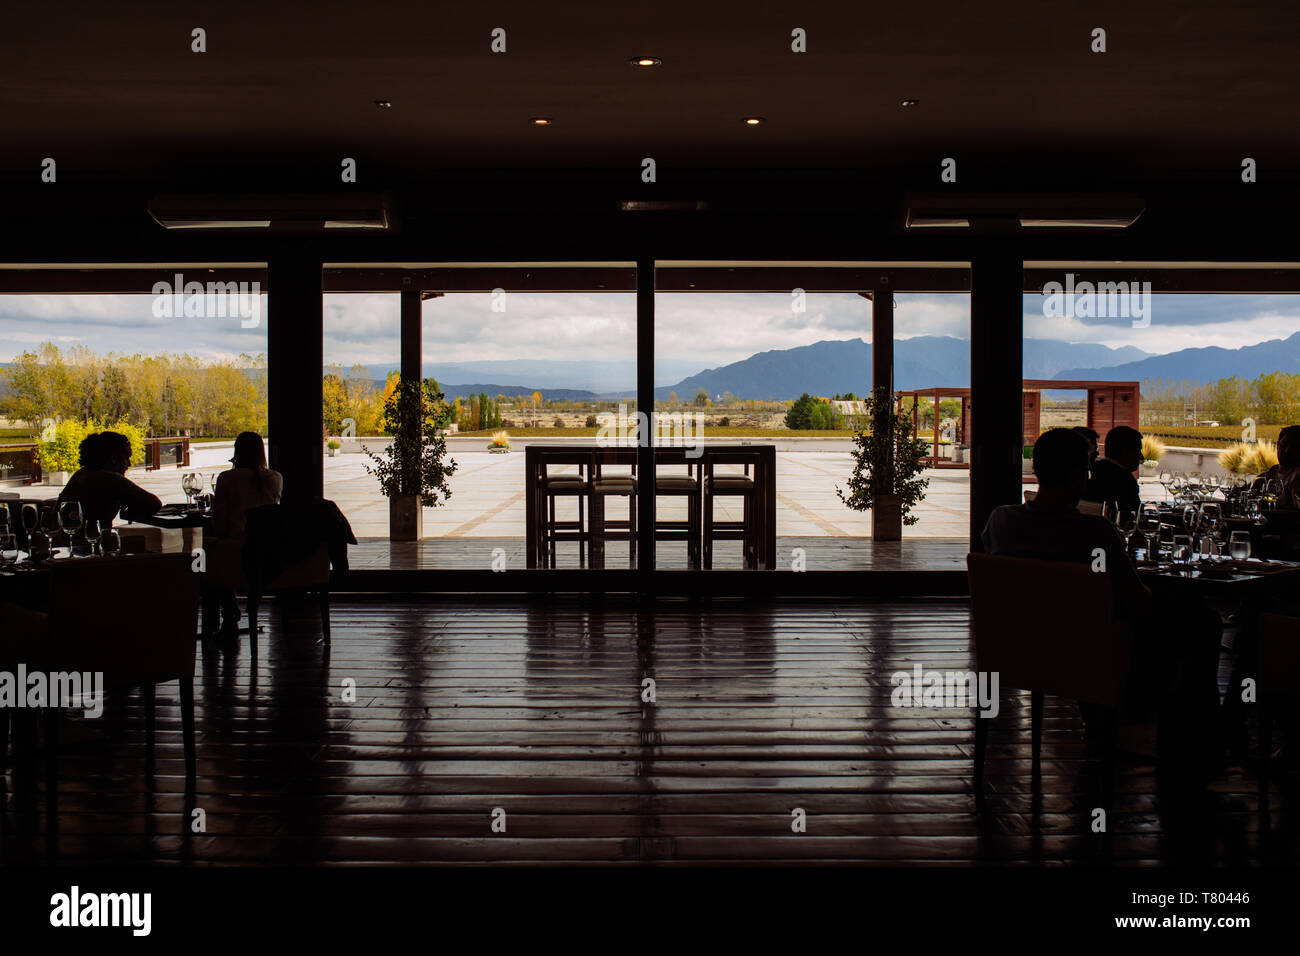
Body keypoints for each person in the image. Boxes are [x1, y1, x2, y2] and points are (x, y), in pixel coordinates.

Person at [983, 428, 1222, 776]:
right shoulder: (1094, 532)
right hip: (1088, 652)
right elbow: (1136, 601)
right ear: (1081, 473)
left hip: (1020, 649)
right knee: (1203, 623)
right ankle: (1193, 741)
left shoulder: (1000, 520)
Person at [208, 432, 283, 635]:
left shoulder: (227, 478)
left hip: (238, 549)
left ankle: (226, 613)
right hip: (269, 549)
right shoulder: (275, 478)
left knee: (206, 554)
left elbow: (220, 525)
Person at [58, 430, 162, 528]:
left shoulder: (81, 474)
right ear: (114, 459)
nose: (129, 464)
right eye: (127, 457)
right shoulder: (110, 479)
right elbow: (154, 504)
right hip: (89, 543)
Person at [1082, 424, 1142, 521]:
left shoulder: (1099, 471)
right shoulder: (1123, 480)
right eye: (1138, 450)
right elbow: (1132, 521)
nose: (1141, 457)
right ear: (1125, 451)